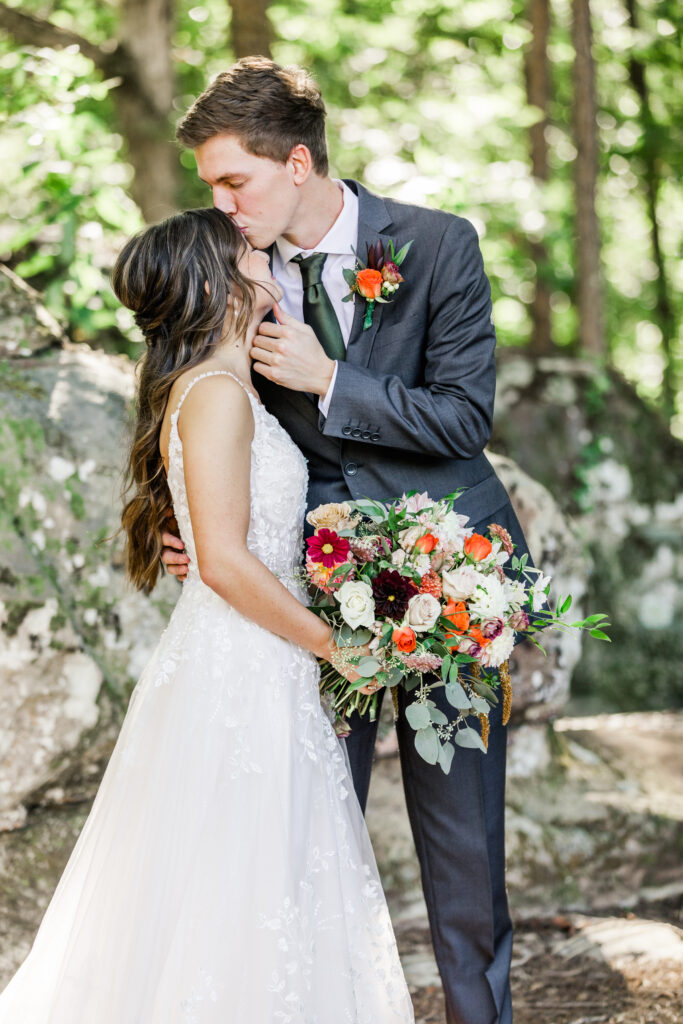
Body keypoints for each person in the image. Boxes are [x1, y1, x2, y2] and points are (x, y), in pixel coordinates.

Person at [163, 57, 533, 1024]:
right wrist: (208, 536)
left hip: (449, 578)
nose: (223, 202)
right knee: (302, 829)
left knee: (461, 845)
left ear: (296, 161)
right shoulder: (233, 273)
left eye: (234, 180)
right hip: (313, 602)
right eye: (212, 187)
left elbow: (464, 419)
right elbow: (202, 411)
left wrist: (332, 379)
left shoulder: (439, 244)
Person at [0, 208, 414, 1023]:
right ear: (214, 284)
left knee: (255, 875)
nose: (262, 256)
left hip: (257, 656)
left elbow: (222, 543)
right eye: (247, 253)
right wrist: (335, 646)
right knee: (240, 872)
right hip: (245, 663)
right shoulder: (217, 395)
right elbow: (224, 562)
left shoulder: (227, 390)